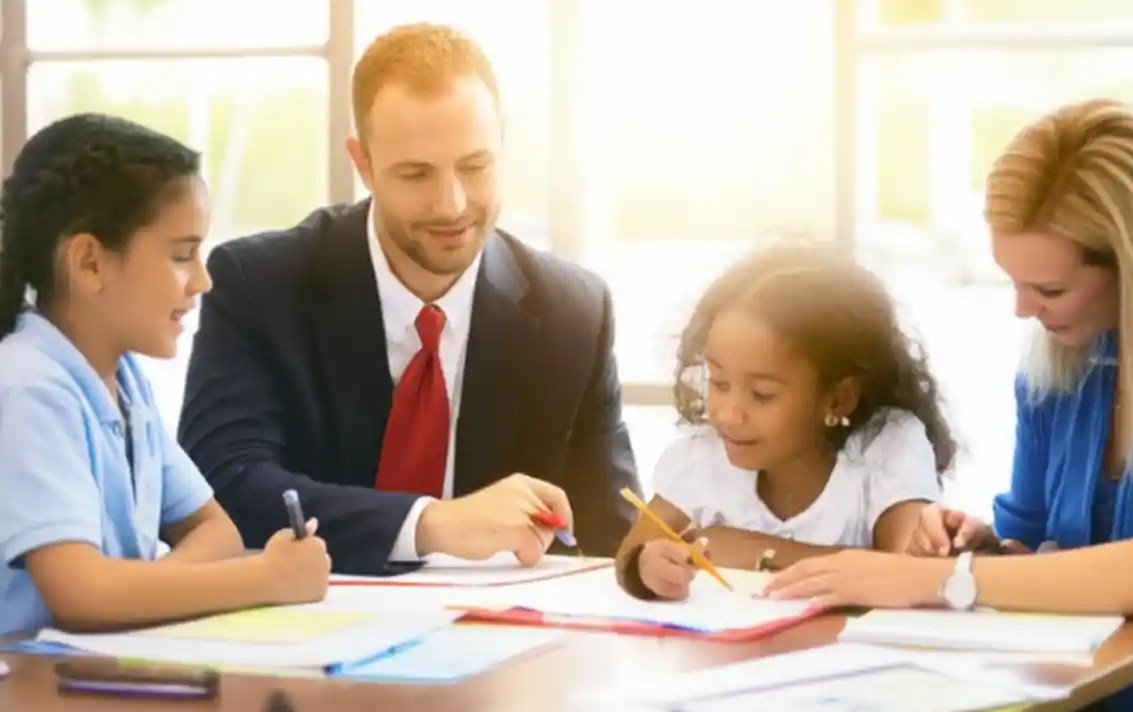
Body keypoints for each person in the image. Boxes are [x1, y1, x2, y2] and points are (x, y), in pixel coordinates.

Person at [763, 99, 1133, 712]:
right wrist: (977, 549)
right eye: (1013, 282)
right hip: (1080, 700)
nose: (1022, 310)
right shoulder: (1061, 364)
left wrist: (930, 582)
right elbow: (1032, 547)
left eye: (1049, 289)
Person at [178, 23, 639, 575]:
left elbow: (609, 538)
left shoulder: (574, 311)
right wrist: (432, 523)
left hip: (497, 639)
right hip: (311, 625)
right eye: (417, 174)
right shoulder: (261, 285)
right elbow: (223, 486)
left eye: (475, 166)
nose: (452, 204)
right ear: (364, 164)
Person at [0, 113, 330, 635]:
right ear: (89, 263)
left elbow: (215, 530)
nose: (202, 280)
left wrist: (132, 593)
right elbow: (81, 593)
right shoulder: (29, 388)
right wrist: (265, 579)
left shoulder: (124, 382)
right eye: (182, 255)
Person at [615, 244, 955, 600]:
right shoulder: (704, 456)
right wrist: (648, 566)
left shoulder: (886, 445)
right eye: (718, 383)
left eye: (762, 394)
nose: (729, 413)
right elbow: (629, 554)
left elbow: (910, 572)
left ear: (838, 398)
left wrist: (747, 550)